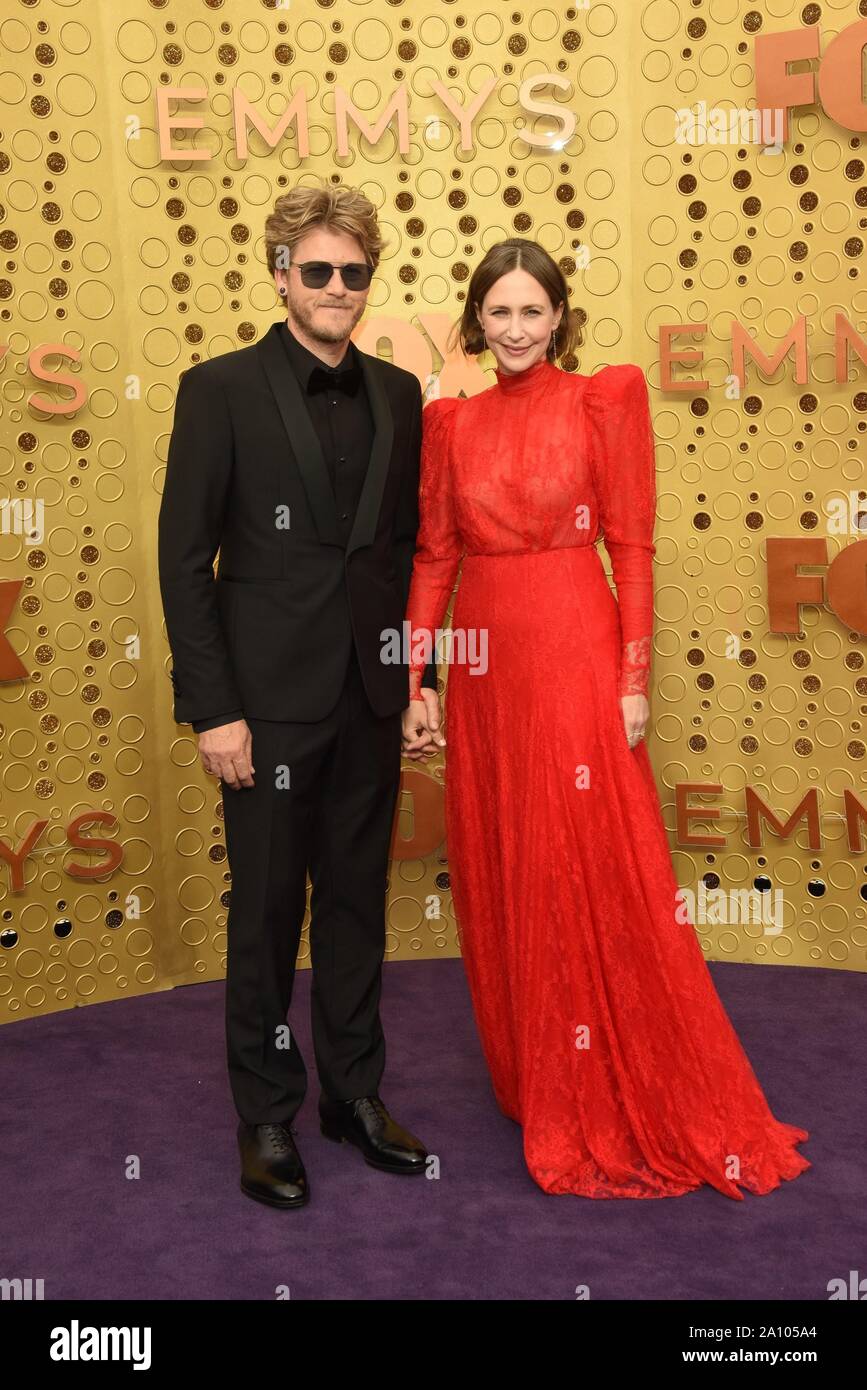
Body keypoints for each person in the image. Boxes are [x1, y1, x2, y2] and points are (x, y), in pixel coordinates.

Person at [402, 237, 811, 1200]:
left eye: (530, 313)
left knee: (583, 854)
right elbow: (432, 557)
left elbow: (631, 545)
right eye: (496, 314)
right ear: (476, 322)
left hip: (576, 651)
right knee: (509, 855)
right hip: (486, 664)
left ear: (558, 319)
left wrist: (632, 677)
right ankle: (537, 1067)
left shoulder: (604, 399)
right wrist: (413, 680)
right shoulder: (448, 423)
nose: (513, 330)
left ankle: (607, 1073)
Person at [158, 181, 437, 1210]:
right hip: (263, 708)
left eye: (352, 273)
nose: (334, 288)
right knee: (268, 915)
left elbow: (411, 551)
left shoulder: (401, 395)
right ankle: (267, 1112)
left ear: (370, 280)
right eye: (315, 269)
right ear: (281, 274)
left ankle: (352, 1097)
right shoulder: (218, 389)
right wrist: (213, 708)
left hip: (369, 698)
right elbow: (186, 561)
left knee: (358, 906)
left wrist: (419, 679)